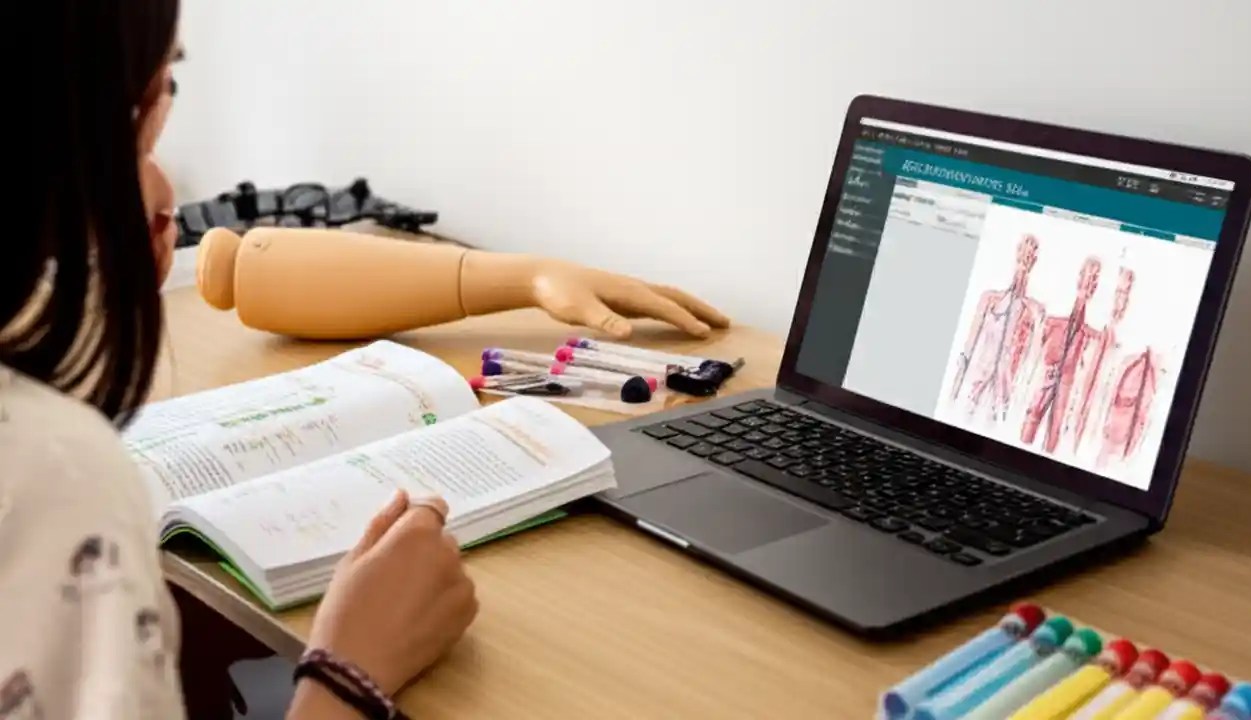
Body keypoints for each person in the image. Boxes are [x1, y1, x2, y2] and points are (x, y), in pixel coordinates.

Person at [0, 2, 729, 717]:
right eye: (149, 102)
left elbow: (245, 267)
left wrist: (526, 277)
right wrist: (349, 671)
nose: (161, 174)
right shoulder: (57, 480)